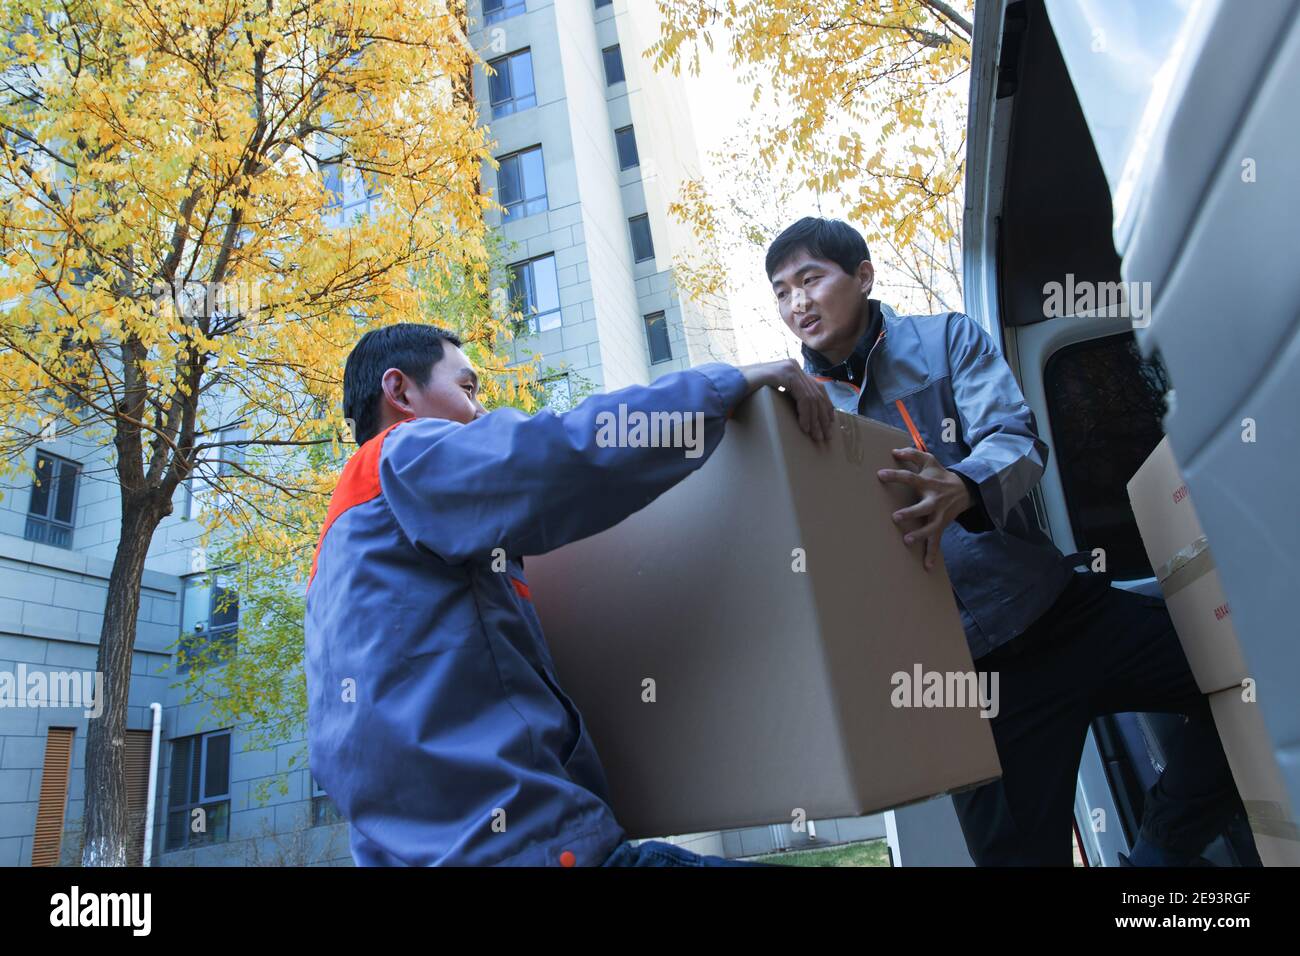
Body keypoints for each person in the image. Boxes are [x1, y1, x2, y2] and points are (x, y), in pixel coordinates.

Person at [764, 216, 1258, 867]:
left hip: (1059, 615)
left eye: (810, 278)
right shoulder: (792, 415)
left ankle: (1157, 854)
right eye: (780, 290)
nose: (796, 301)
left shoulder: (946, 341)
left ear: (862, 276)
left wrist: (963, 485)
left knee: (1247, 678)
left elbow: (1018, 442)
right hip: (968, 683)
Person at [304, 322, 832, 866]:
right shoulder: (404, 455)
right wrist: (722, 385)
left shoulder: (336, 558)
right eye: (467, 389)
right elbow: (566, 452)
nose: (481, 410)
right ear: (400, 393)